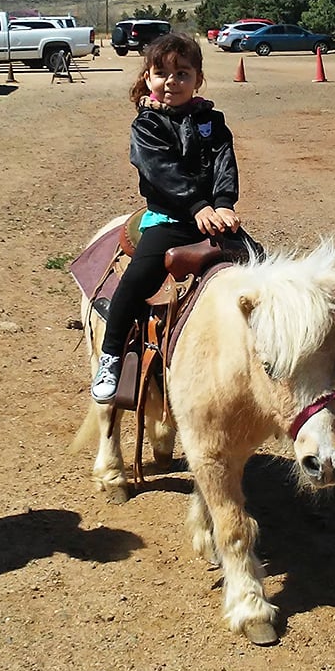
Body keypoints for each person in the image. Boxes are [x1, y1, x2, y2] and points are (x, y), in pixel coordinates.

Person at [91, 32, 242, 403]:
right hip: (170, 220)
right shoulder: (147, 125)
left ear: (197, 80)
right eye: (161, 74)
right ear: (148, 78)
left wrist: (223, 202)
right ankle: (111, 355)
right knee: (137, 279)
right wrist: (197, 206)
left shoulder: (212, 121)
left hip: (213, 217)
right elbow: (161, 170)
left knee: (259, 264)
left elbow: (225, 162)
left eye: (182, 75)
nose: (171, 82)